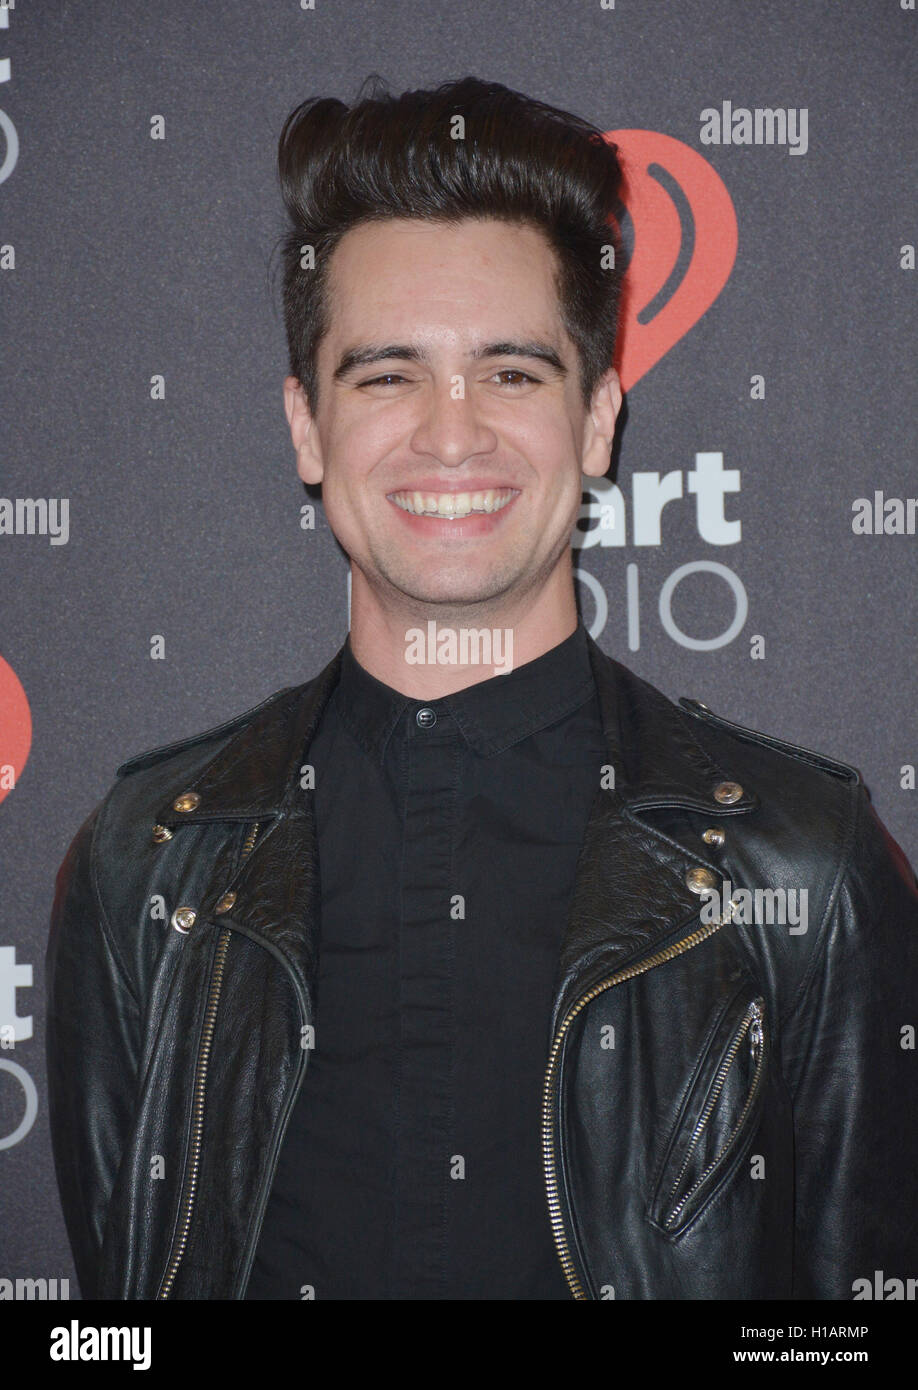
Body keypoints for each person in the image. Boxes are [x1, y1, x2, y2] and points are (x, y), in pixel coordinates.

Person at [45, 75, 918, 1301]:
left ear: (599, 418)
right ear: (306, 428)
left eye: (510, 373)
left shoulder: (804, 869)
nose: (452, 435)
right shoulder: (147, 864)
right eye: (387, 375)